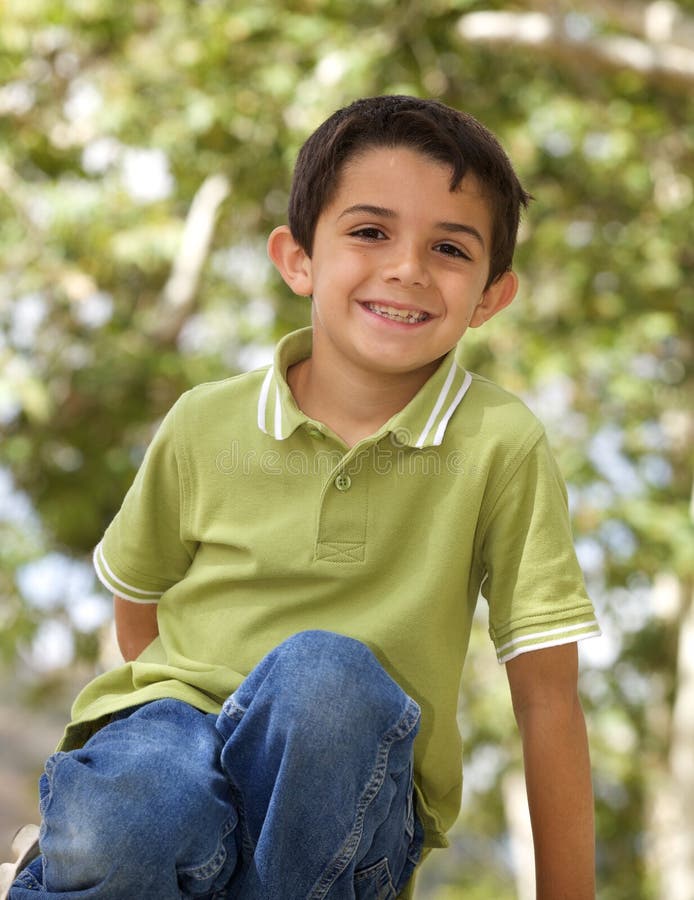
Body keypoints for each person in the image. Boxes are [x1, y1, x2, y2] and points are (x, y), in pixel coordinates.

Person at [1, 95, 601, 900]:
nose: (407, 268)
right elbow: (138, 606)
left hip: (350, 818)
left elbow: (548, 696)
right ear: (298, 259)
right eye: (369, 231)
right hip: (179, 743)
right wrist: (185, 762)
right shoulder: (205, 422)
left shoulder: (500, 443)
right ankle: (89, 864)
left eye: (450, 249)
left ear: (491, 295)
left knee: (326, 676)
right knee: (142, 787)